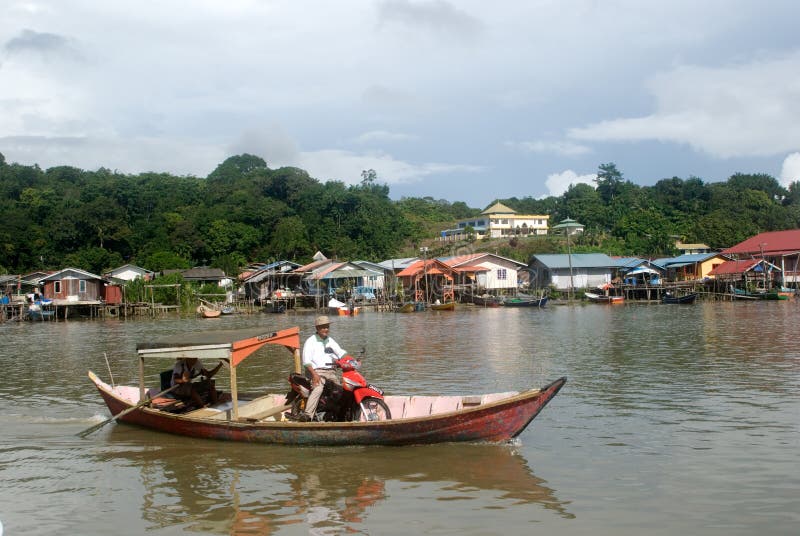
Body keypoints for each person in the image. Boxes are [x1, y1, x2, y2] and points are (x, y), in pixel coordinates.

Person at [300, 315, 347, 421]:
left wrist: (352, 360)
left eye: (327, 327)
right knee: (318, 388)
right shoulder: (310, 341)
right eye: (323, 327)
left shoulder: (330, 340)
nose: (326, 329)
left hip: (330, 372)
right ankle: (307, 414)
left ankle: (337, 414)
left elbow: (341, 353)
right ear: (317, 328)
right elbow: (306, 362)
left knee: (341, 390)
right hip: (315, 371)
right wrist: (314, 375)